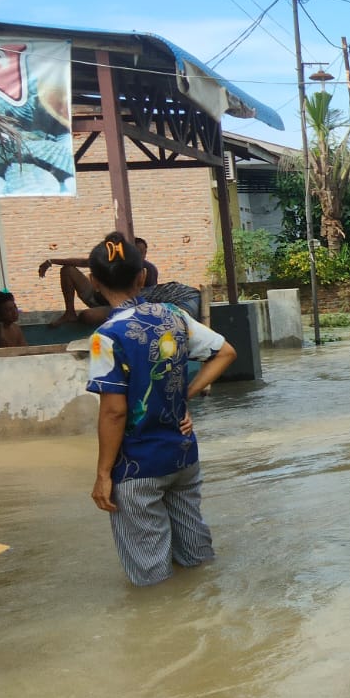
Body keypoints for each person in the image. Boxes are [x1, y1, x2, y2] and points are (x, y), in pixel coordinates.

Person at [84, 233, 237, 586]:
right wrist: (186, 395)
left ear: (94, 281)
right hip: (182, 455)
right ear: (142, 277)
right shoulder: (174, 316)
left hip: (137, 468)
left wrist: (103, 473)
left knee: (151, 578)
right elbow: (226, 352)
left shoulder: (106, 336)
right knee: (197, 559)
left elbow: (114, 412)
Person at [41, 233, 199, 323]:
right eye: (135, 252)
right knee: (68, 270)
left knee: (88, 316)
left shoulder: (147, 271)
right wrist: (51, 261)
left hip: (123, 305)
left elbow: (142, 299)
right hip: (102, 299)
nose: (139, 256)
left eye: (142, 253)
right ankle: (69, 312)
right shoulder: (113, 261)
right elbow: (84, 262)